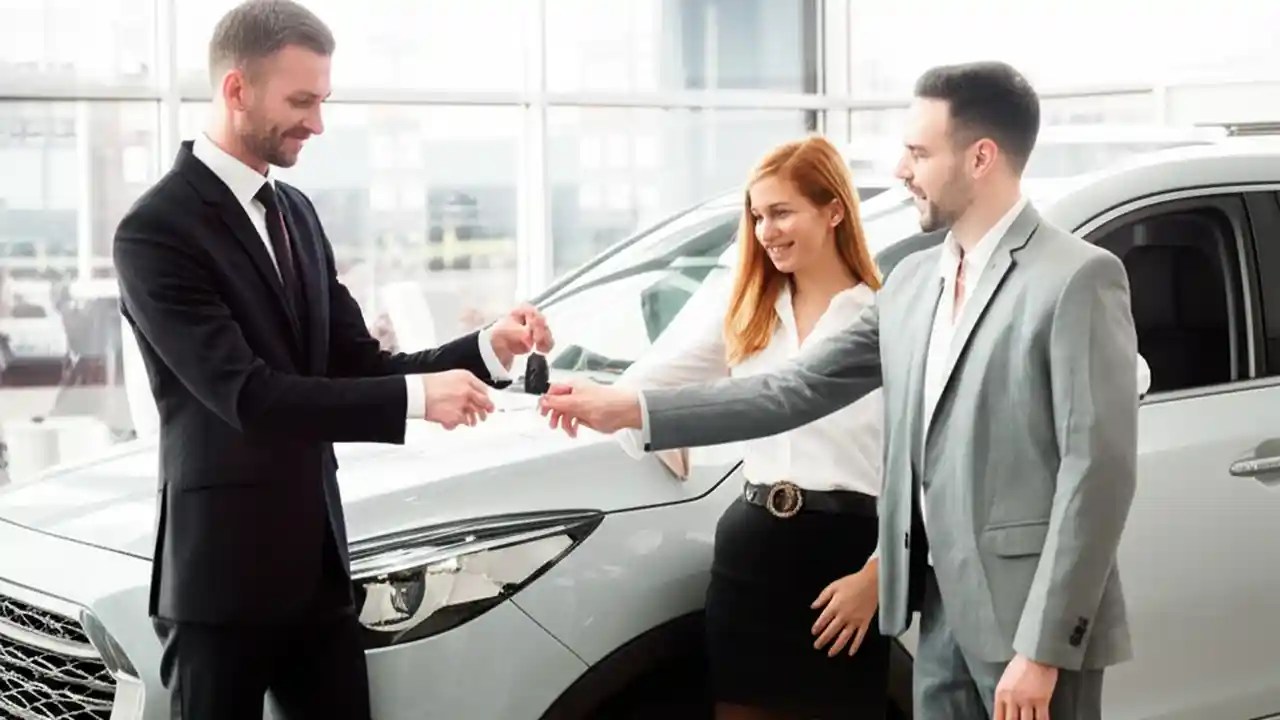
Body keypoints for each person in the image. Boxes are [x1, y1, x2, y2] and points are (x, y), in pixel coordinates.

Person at [540, 61, 1142, 720]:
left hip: (1029, 629)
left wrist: (1044, 651)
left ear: (980, 158)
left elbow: (1097, 473)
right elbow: (794, 390)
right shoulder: (911, 286)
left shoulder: (1078, 277)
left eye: (918, 152)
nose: (901, 170)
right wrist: (629, 407)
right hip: (940, 620)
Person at [112, 1, 552, 718]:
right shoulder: (155, 231)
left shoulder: (299, 213)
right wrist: (416, 402)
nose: (317, 122)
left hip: (317, 569)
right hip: (219, 585)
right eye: (301, 101)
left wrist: (482, 349)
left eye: (321, 100)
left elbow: (351, 361)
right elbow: (247, 397)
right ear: (236, 90)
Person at [610, 135, 888, 719]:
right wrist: (671, 442)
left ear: (834, 210)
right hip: (751, 554)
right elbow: (641, 387)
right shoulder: (747, 315)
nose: (766, 231)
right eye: (758, 216)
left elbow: (925, 465)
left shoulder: (885, 318)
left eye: (782, 212)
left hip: (846, 566)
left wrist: (880, 574)